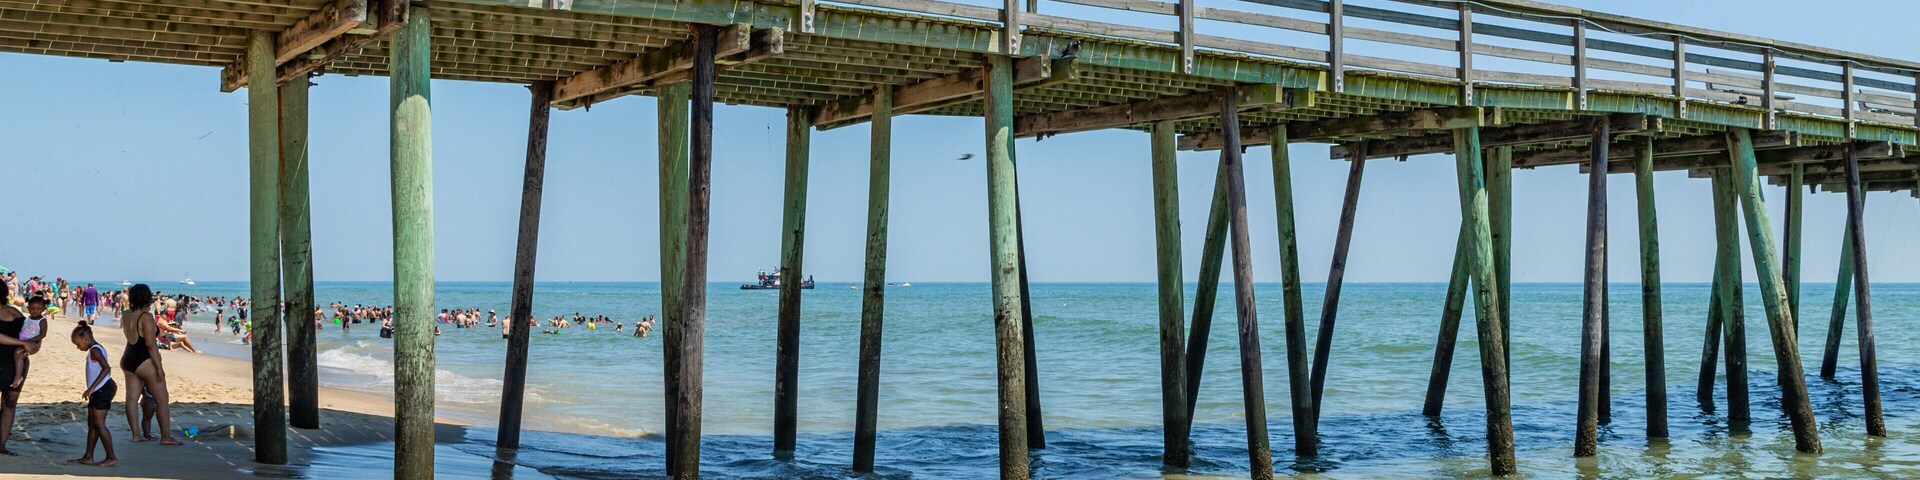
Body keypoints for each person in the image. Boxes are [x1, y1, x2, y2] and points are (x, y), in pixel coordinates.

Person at [118, 284, 180, 445]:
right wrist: (159, 366)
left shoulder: (125, 315)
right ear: (146, 299)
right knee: (162, 399)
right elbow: (151, 344)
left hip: (128, 357)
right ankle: (165, 437)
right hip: (144, 359)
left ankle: (136, 435)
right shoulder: (145, 317)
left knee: (131, 399)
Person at [69, 323, 118, 467]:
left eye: (78, 344)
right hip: (98, 390)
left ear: (85, 338)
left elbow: (106, 369)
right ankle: (88, 456)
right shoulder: (94, 350)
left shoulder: (95, 350)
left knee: (99, 424)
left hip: (104, 389)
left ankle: (111, 456)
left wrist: (91, 388)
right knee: (92, 424)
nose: (78, 348)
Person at [9, 297, 49, 389]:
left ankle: (18, 376)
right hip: (23, 341)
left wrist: (31, 342)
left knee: (17, 354)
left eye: (38, 308)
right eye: (32, 308)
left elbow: (43, 334)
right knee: (18, 353)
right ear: (28, 308)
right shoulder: (28, 318)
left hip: (32, 341)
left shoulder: (42, 320)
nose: (35, 311)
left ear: (43, 309)